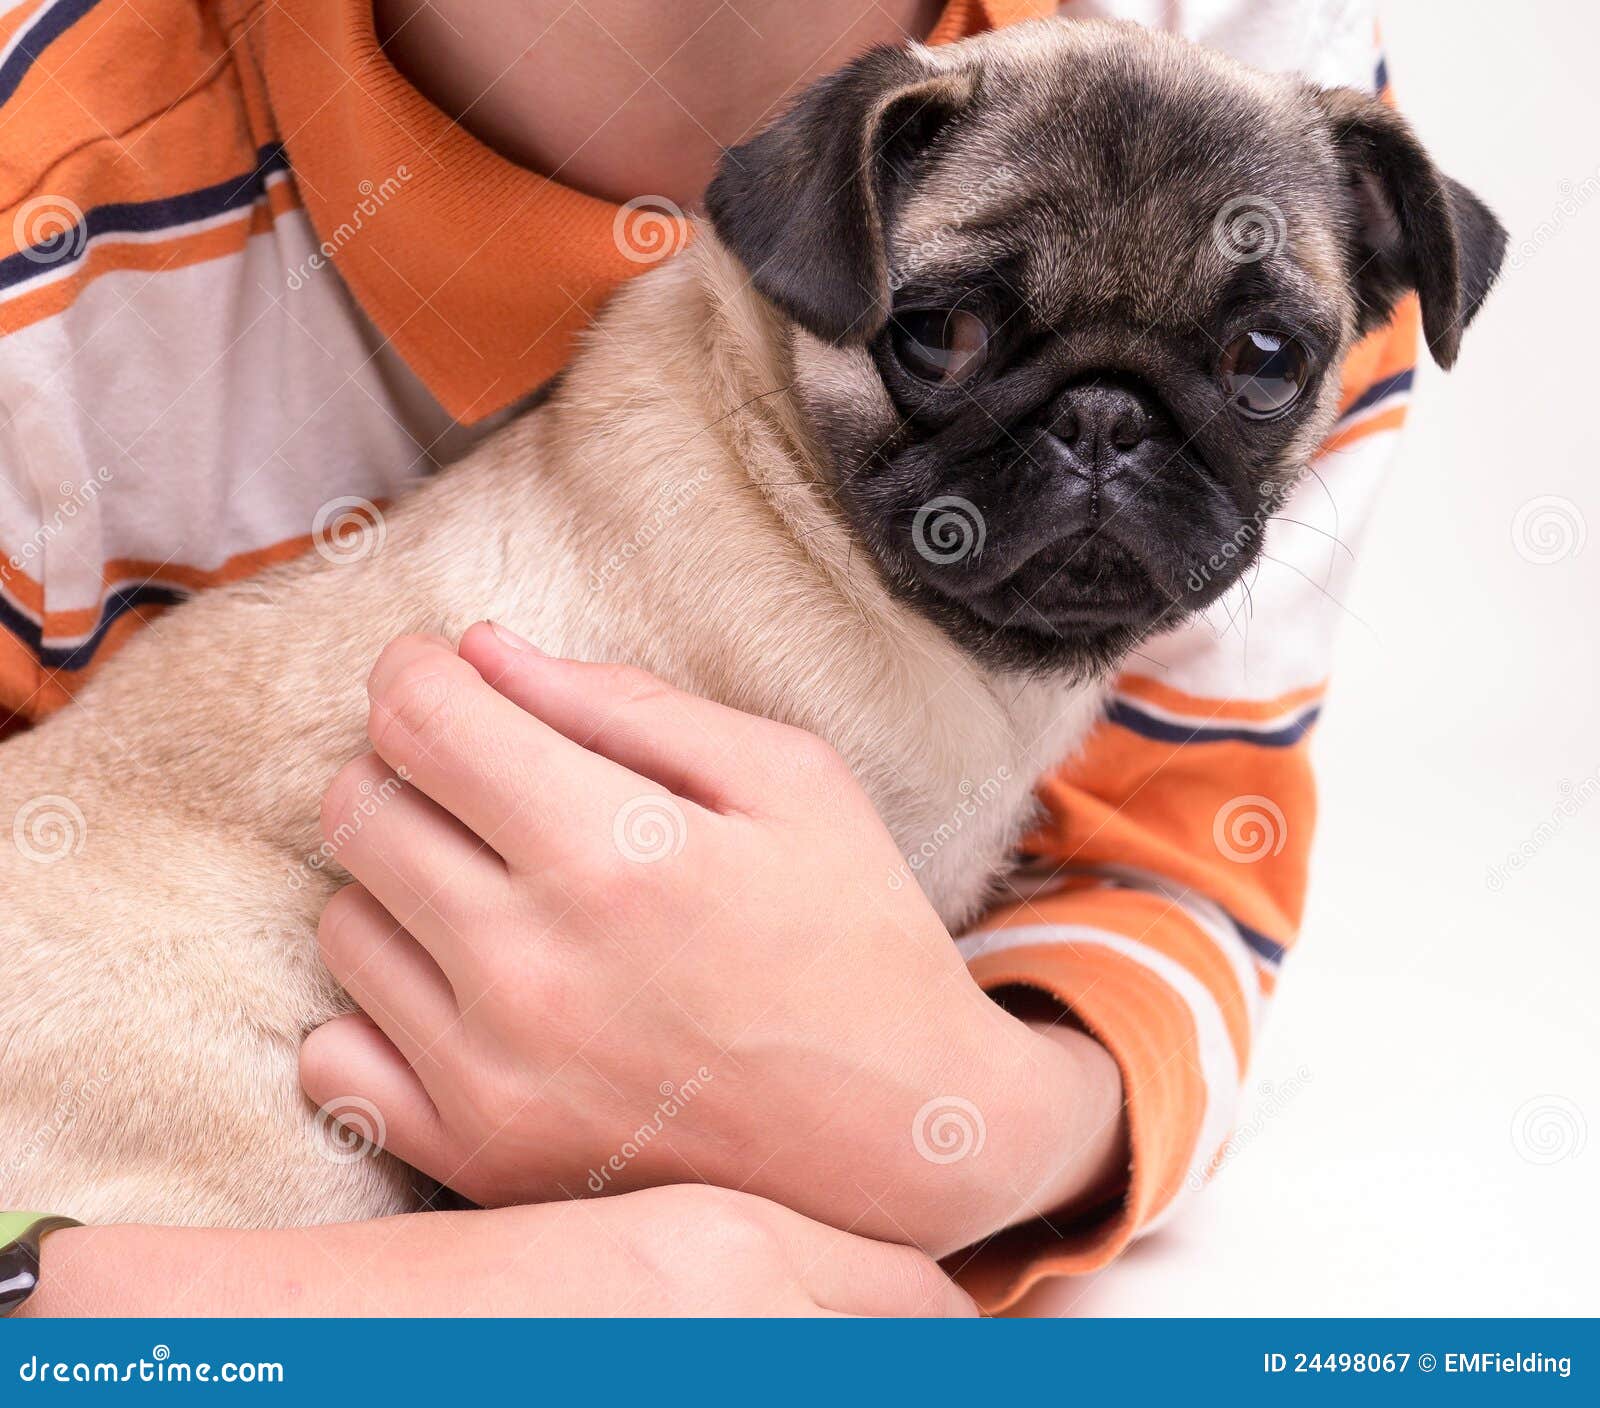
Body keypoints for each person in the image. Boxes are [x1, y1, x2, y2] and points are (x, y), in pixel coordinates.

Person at [0, 0, 1415, 1315]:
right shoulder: (42, 189)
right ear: (793, 263)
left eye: (1253, 367)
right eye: (955, 337)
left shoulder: (1236, 58)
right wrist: (441, 1301)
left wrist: (972, 1134)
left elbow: (1178, 844)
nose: (1099, 443)